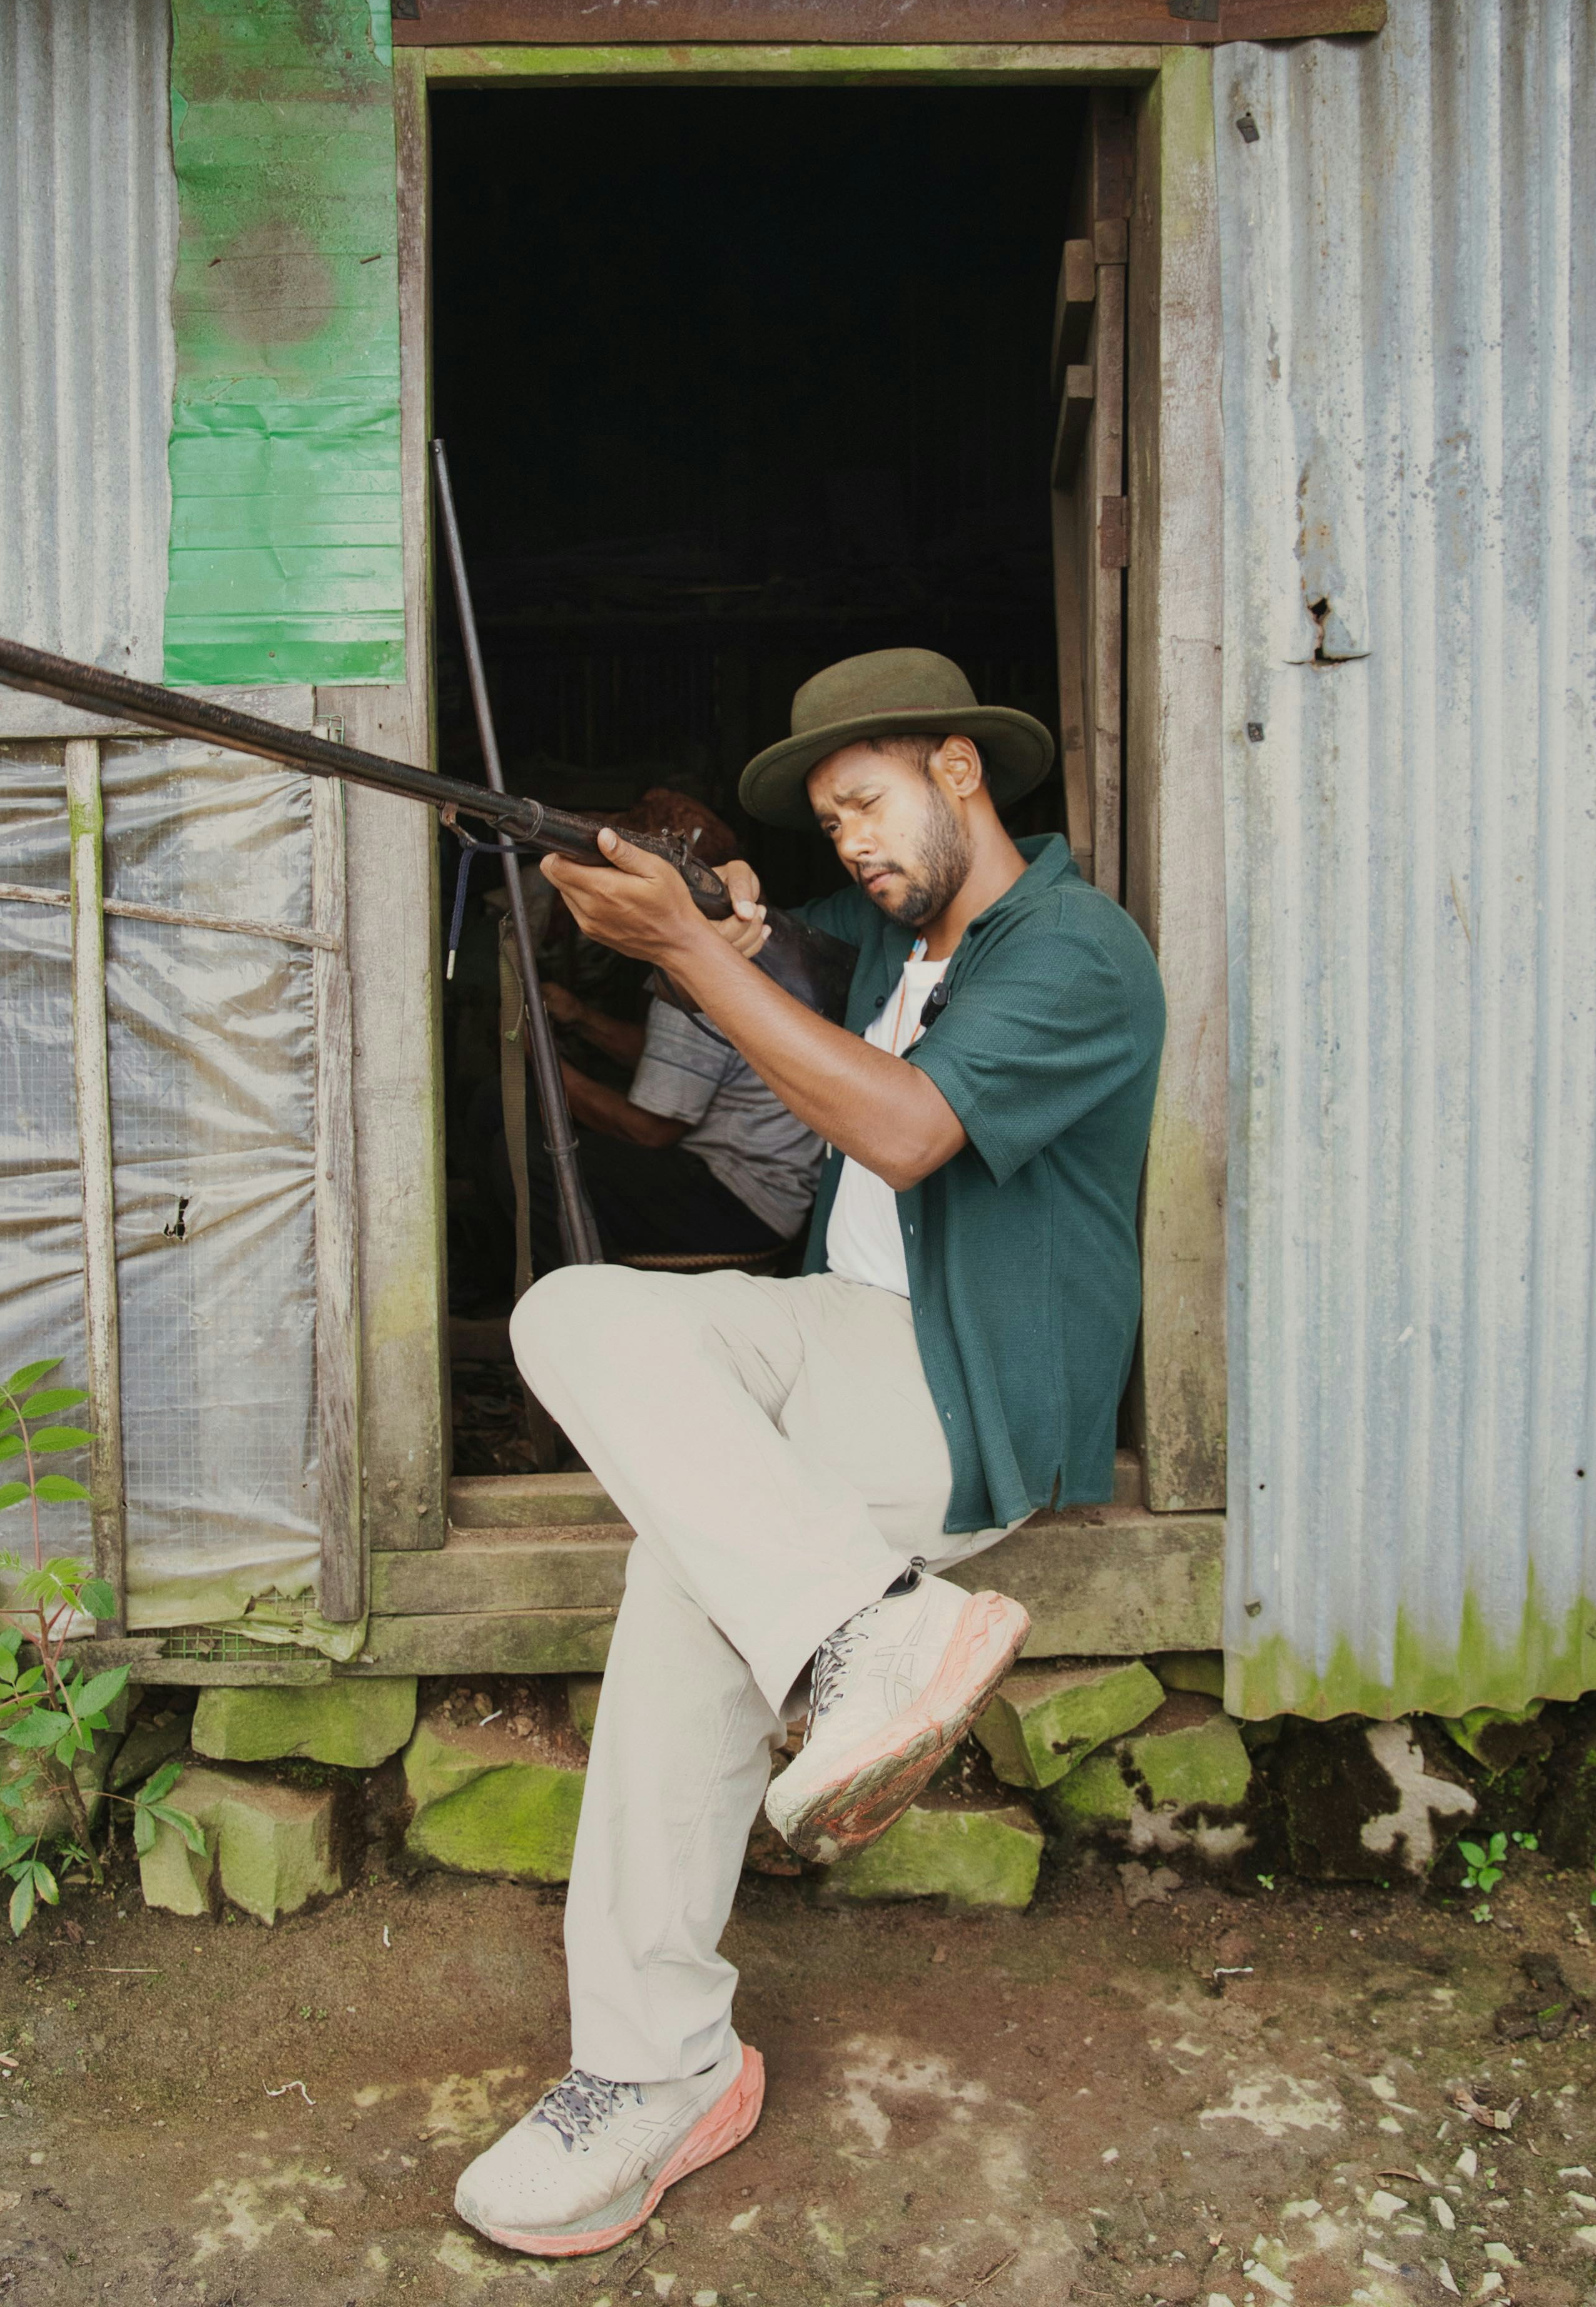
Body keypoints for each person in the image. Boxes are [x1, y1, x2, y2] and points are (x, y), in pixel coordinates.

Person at [453, 648, 1166, 2259]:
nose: (847, 839)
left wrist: (689, 961)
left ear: (961, 770)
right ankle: (862, 1627)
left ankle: (653, 2069)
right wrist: (689, 908)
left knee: (682, 1585)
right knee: (570, 1314)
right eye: (826, 818)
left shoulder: (1076, 952)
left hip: (963, 1387)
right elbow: (773, 933)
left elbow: (907, 1129)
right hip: (831, 1335)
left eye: (865, 799)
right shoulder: (883, 939)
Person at [480, 982, 825, 1265]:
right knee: (500, 1101)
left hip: (744, 1202)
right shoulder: (699, 966)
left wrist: (540, 1056)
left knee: (527, 1158)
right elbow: (672, 1058)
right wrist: (582, 1019)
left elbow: (650, 1132)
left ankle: (589, 1313)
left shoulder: (697, 982)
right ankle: (508, 1280)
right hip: (726, 1175)